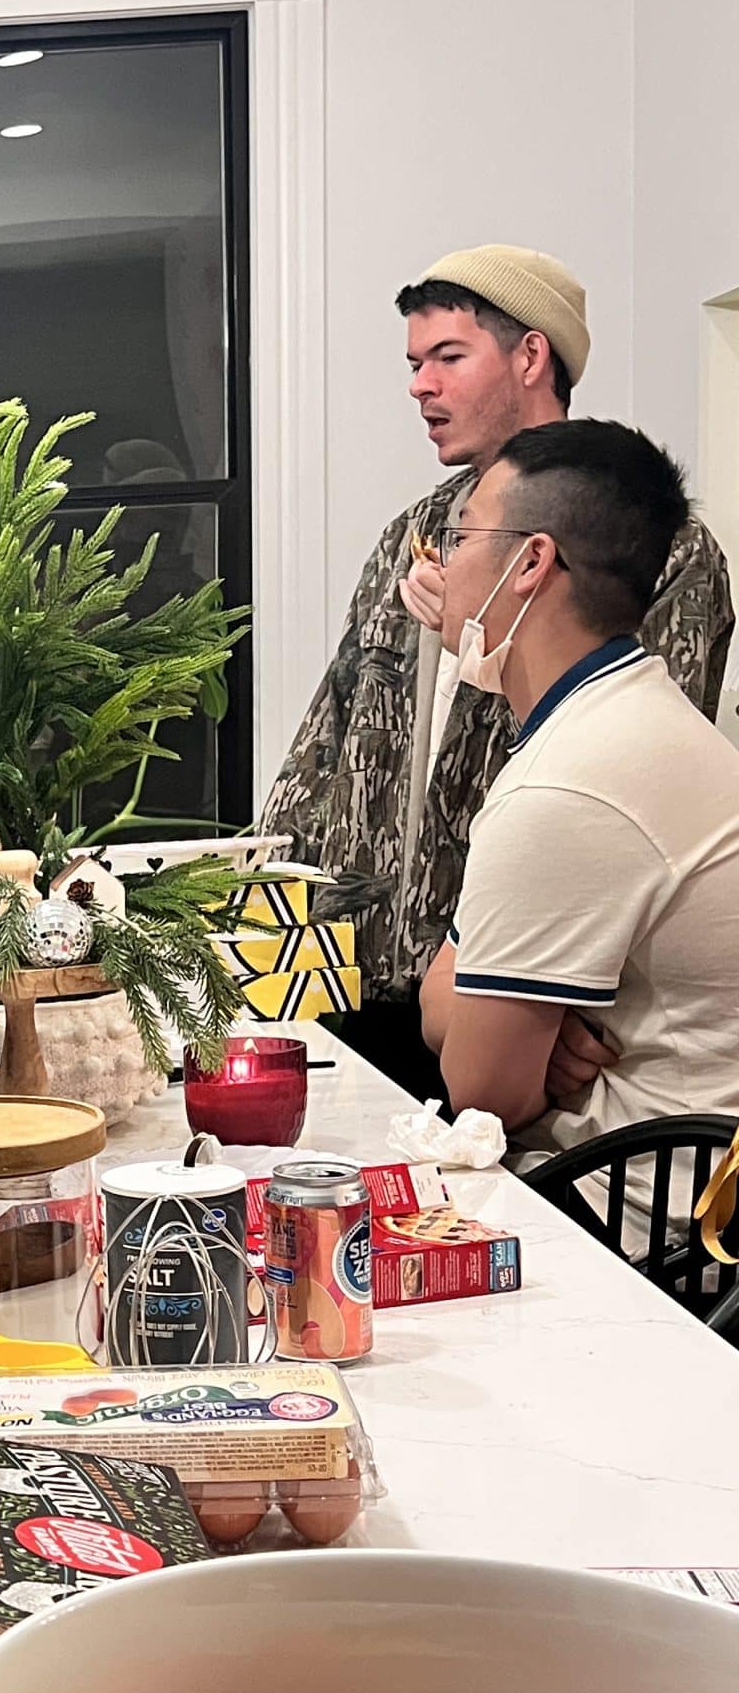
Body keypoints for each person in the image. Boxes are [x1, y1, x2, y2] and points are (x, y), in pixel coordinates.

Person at [265, 246, 732, 1098]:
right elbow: (326, 737)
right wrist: (268, 910)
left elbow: (632, 785)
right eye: (414, 364)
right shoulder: (411, 535)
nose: (420, 386)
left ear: (529, 357)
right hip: (364, 970)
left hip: (527, 986)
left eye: (448, 357)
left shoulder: (662, 549)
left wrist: (548, 1010)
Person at [417, 420, 739, 1160]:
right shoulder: (628, 714)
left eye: (462, 536)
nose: (445, 563)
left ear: (530, 562)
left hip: (637, 1227)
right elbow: (444, 997)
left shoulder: (569, 784)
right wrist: (524, 1023)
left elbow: (483, 1093)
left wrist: (492, 1023)